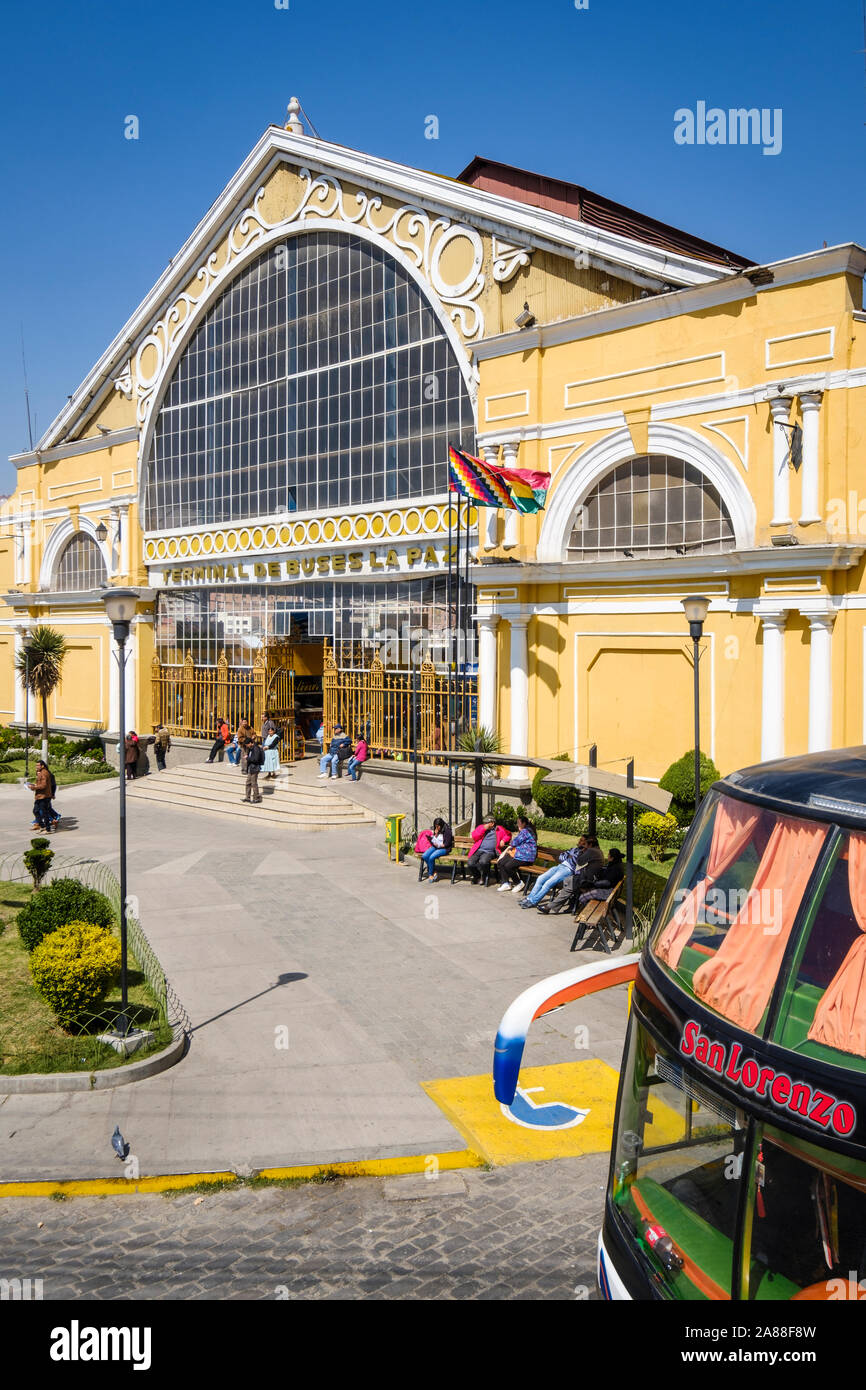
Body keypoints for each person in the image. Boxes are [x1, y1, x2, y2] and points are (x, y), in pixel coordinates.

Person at [519, 835, 603, 910]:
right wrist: (569, 856)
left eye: (582, 841)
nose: (580, 842)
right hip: (559, 866)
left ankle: (533, 901)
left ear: (588, 844)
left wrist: (572, 856)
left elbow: (576, 861)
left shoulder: (586, 852)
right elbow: (561, 856)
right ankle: (529, 898)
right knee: (540, 878)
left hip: (568, 870)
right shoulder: (574, 849)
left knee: (548, 883)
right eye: (580, 840)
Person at [495, 815, 538, 892]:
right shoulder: (525, 830)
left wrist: (506, 850)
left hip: (527, 857)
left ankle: (518, 883)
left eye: (519, 823)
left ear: (524, 823)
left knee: (508, 866)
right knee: (501, 862)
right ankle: (506, 883)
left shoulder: (526, 831)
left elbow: (515, 842)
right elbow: (515, 842)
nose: (517, 824)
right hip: (519, 854)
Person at [467, 815, 511, 885]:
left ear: (492, 823)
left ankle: (483, 877)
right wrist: (483, 829)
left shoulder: (499, 829)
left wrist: (503, 840)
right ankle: (477, 876)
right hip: (478, 850)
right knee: (470, 863)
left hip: (490, 852)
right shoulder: (481, 827)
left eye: (486, 823)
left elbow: (508, 834)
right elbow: (474, 836)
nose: (484, 824)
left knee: (483, 862)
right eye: (484, 822)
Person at [420, 817, 453, 882]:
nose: (437, 828)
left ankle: (430, 874)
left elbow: (447, 844)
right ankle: (434, 870)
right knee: (425, 856)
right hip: (436, 847)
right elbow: (435, 840)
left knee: (431, 857)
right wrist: (435, 834)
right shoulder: (437, 829)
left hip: (444, 848)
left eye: (438, 826)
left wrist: (439, 845)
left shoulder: (447, 831)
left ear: (441, 824)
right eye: (435, 826)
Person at [29, 759, 54, 831]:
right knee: (35, 811)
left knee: (44, 813)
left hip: (44, 796)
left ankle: (48, 829)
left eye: (38, 765)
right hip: (40, 796)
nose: (36, 766)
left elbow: (44, 785)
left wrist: (33, 787)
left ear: (42, 766)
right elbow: (41, 784)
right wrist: (34, 785)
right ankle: (42, 826)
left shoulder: (44, 773)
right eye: (36, 765)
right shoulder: (40, 772)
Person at [243, 734, 265, 803]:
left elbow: (255, 759)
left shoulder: (256, 748)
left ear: (250, 743)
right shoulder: (251, 748)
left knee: (254, 783)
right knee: (248, 783)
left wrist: (247, 758)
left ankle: (257, 798)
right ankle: (247, 797)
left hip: (255, 768)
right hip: (251, 768)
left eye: (247, 745)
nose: (247, 746)